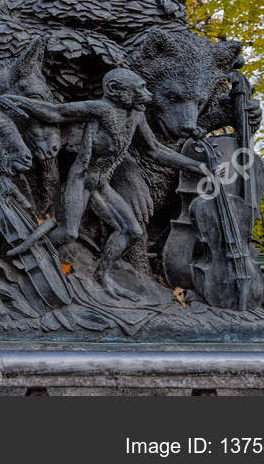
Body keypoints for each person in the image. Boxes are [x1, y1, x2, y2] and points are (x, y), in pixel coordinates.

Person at [16, 68, 210, 299]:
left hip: (101, 185)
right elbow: (56, 113)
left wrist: (196, 166)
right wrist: (18, 101)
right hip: (82, 180)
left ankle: (102, 275)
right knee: (69, 233)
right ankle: (24, 258)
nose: (146, 94)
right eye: (139, 89)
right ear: (114, 90)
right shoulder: (101, 109)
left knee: (133, 231)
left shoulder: (136, 116)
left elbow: (155, 150)